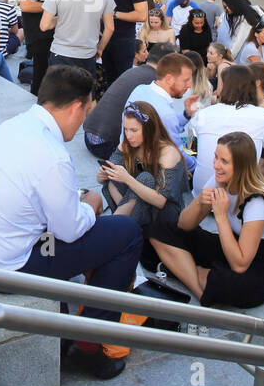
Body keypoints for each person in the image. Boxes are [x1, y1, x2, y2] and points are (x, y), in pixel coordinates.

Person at [0, 65, 144, 380]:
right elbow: (71, 231)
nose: (83, 123)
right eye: (86, 112)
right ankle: (87, 345)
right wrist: (92, 204)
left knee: (76, 231)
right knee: (127, 233)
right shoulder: (52, 154)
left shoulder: (13, 125)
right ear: (78, 106)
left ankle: (76, 318)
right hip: (4, 268)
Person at [149, 131, 264, 309]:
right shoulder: (219, 180)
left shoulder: (258, 201)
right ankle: (199, 289)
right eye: (215, 158)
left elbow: (240, 265)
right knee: (159, 228)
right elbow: (183, 225)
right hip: (230, 245)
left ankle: (184, 270)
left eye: (224, 161)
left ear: (241, 166)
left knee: (225, 283)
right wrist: (199, 201)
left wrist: (221, 215)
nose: (216, 165)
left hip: (260, 265)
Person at [188, 64, 264, 201]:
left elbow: (193, 144)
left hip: (202, 193)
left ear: (224, 87)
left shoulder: (204, 113)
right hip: (238, 197)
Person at [98, 101, 189, 239]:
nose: (128, 136)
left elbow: (161, 201)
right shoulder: (128, 144)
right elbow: (111, 169)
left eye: (134, 130)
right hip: (136, 204)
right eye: (126, 129)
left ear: (149, 129)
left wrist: (127, 179)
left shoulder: (167, 153)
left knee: (145, 178)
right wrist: (103, 176)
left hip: (164, 212)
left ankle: (115, 225)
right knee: (112, 179)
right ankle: (122, 220)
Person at [81, 42, 175, 160]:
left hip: (90, 136)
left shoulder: (135, 71)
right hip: (105, 144)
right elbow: (161, 123)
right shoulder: (154, 81)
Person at [125, 52, 198, 170]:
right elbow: (179, 157)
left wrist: (186, 114)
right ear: (169, 79)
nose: (189, 85)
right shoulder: (165, 112)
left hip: (128, 160)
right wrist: (196, 165)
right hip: (144, 170)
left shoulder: (140, 89)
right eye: (185, 80)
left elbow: (165, 125)